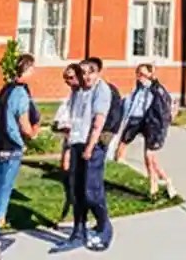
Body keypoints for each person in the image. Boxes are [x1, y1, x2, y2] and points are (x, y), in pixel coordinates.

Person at [0, 54, 41, 260]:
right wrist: (33, 133)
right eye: (33, 69)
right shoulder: (21, 93)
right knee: (3, 197)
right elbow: (24, 125)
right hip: (11, 149)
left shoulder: (5, 90)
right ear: (27, 70)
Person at [52, 57, 121, 253]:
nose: (86, 76)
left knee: (92, 191)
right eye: (83, 72)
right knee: (76, 192)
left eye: (90, 71)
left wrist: (90, 148)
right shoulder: (79, 91)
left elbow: (98, 122)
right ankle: (78, 232)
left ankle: (105, 228)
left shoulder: (102, 90)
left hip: (92, 146)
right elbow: (73, 121)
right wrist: (67, 149)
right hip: (76, 144)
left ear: (98, 72)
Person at [115, 63, 178, 199]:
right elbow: (131, 104)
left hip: (153, 126)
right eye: (138, 74)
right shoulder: (139, 89)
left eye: (143, 74)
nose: (140, 77)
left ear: (151, 75)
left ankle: (154, 188)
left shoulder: (157, 91)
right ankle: (166, 181)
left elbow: (165, 110)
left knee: (149, 158)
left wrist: (162, 126)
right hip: (137, 122)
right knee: (124, 156)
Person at [52, 63, 87, 226]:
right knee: (66, 174)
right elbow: (63, 114)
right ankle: (70, 205)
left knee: (77, 177)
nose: (68, 82)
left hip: (82, 141)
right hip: (71, 138)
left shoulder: (86, 94)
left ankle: (78, 213)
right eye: (65, 79)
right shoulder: (73, 94)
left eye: (71, 78)